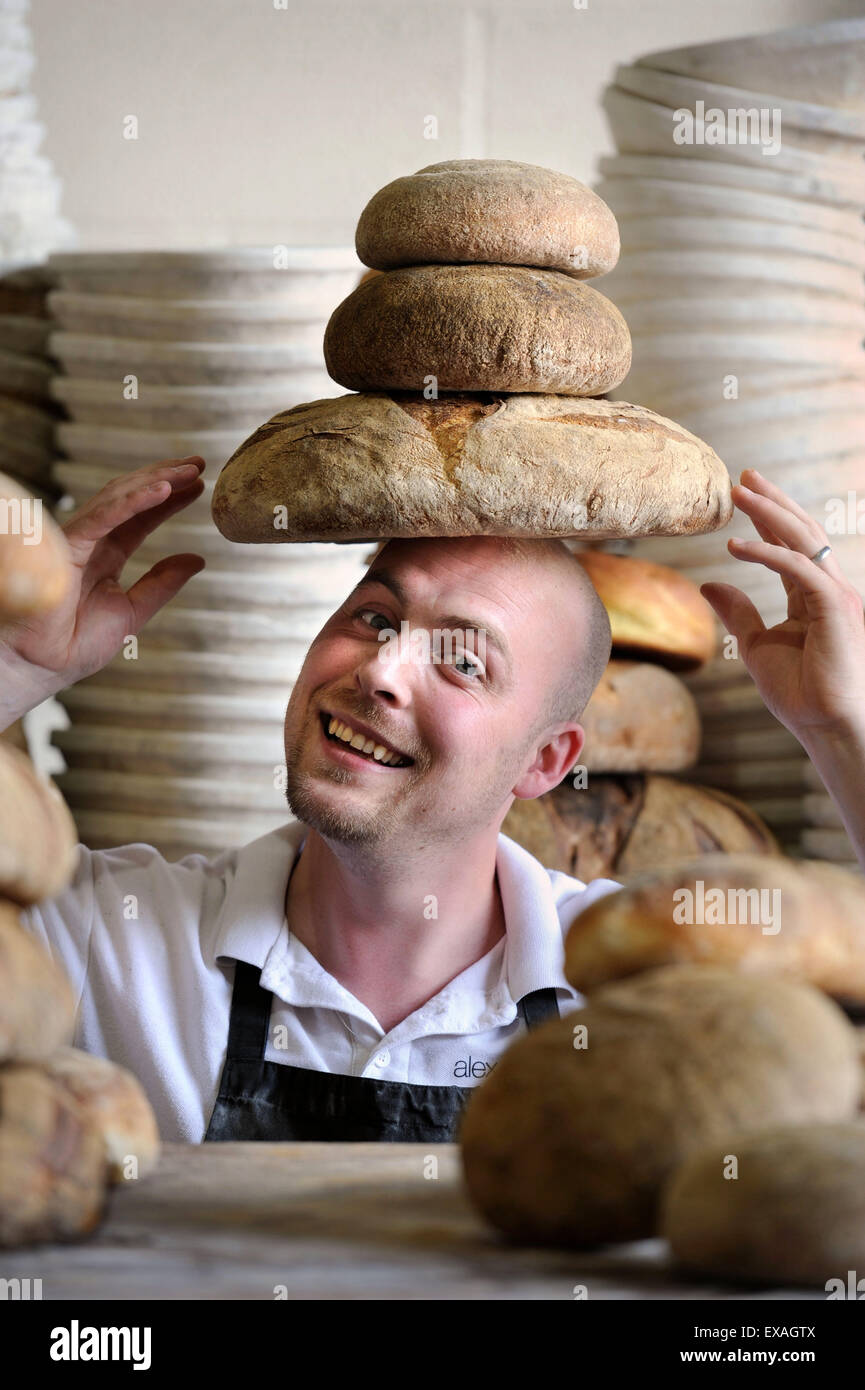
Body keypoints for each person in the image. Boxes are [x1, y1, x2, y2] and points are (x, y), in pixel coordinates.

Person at [3, 456, 864, 1143]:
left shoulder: (637, 983)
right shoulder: (108, 936)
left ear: (545, 761)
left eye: (462, 661)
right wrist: (15, 671)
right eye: (376, 619)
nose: (379, 671)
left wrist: (843, 733)